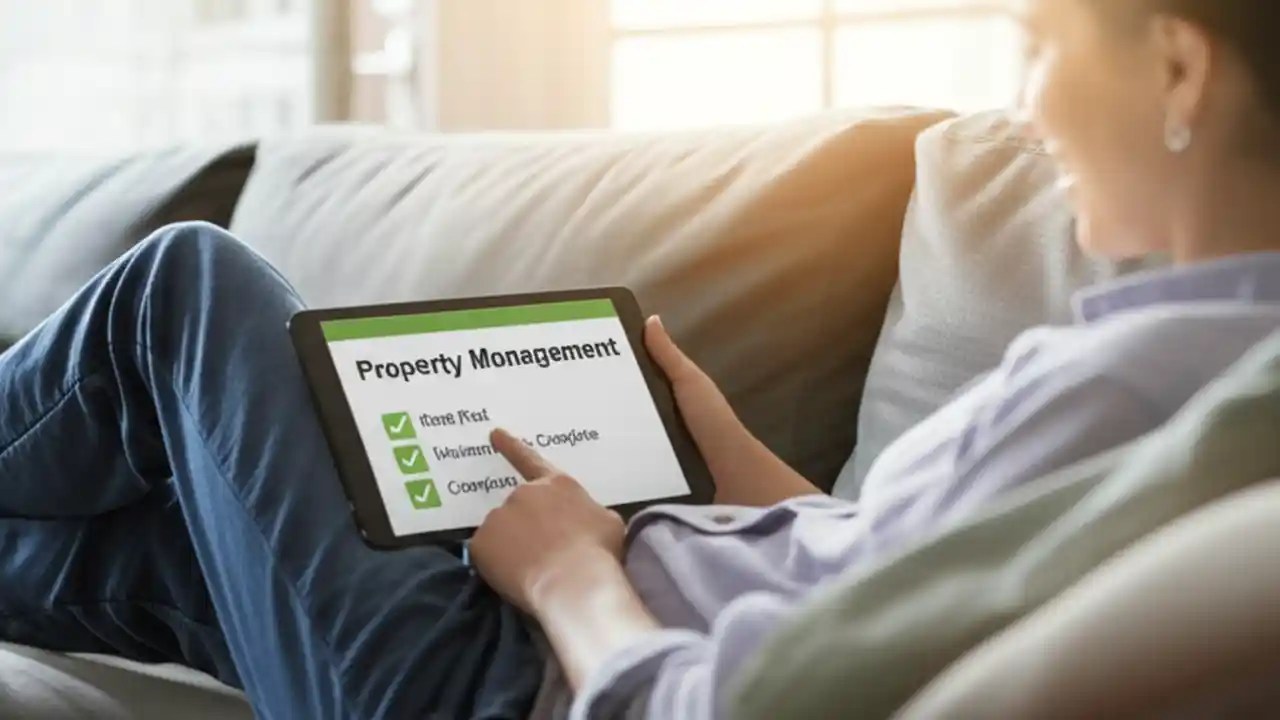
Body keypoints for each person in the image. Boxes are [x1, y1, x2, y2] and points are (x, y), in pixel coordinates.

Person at [2, 0, 1278, 717]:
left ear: (1175, 68)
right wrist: (730, 459)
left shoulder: (1161, 388)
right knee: (147, 544)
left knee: (186, 285)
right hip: (543, 623)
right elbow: (886, 571)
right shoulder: (1183, 368)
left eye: (1042, 47)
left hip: (525, 682)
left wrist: (565, 576)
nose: (1032, 102)